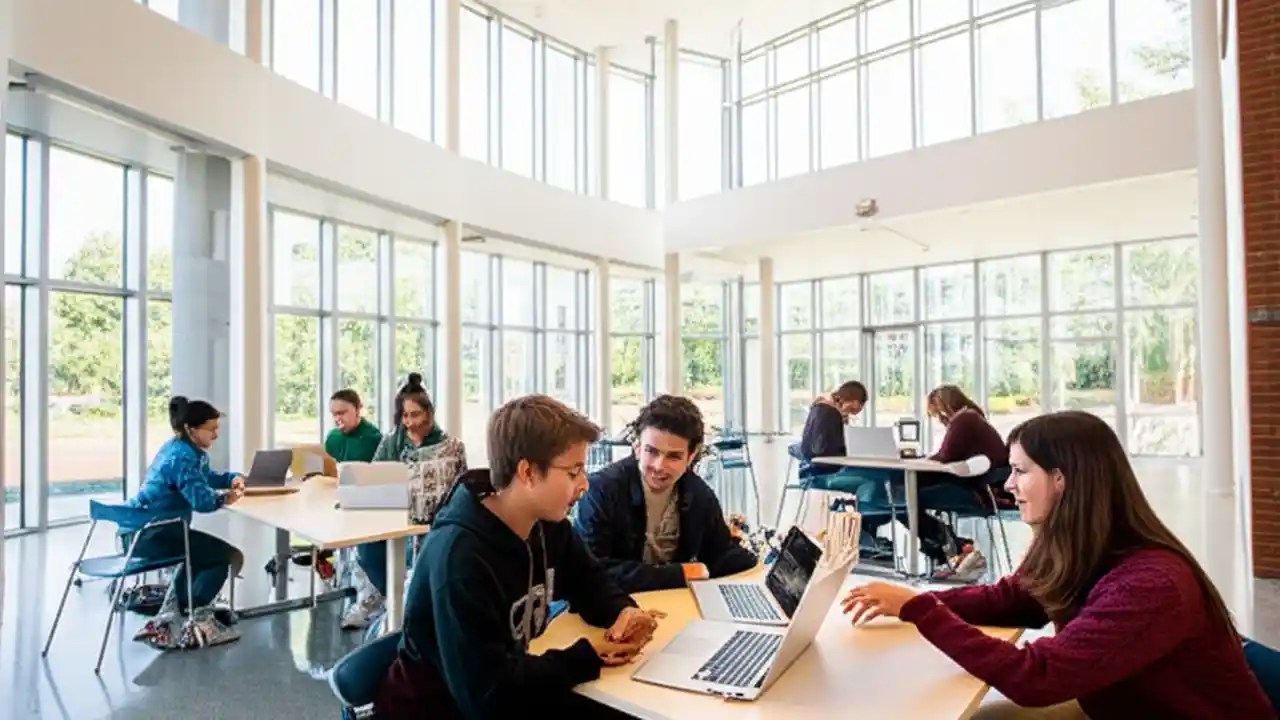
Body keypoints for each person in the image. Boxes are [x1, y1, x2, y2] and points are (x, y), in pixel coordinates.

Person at [842, 411, 1274, 720]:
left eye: (1020, 471)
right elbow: (1010, 599)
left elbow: (1037, 677)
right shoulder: (1078, 547)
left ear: (1062, 478)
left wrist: (922, 611)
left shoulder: (1150, 583)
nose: (1009, 485)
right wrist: (912, 601)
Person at [374, 395, 662, 718]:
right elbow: (486, 697)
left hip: (502, 689)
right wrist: (583, 658)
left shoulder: (547, 523)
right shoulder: (461, 558)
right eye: (573, 472)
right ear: (527, 472)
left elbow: (589, 581)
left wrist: (621, 611)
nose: (585, 484)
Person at [575, 395, 757, 593]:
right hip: (609, 607)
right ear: (637, 447)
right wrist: (680, 574)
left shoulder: (700, 495)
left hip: (670, 604)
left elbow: (720, 554)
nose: (659, 466)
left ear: (691, 456)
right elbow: (591, 572)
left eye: (673, 457)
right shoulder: (601, 490)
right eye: (651, 451)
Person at [344, 373, 467, 630]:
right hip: (394, 517)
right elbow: (373, 477)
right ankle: (390, 602)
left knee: (417, 556)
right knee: (367, 549)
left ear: (429, 414)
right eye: (405, 415)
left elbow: (460, 489)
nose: (410, 422)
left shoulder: (451, 447)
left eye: (416, 415)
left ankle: (407, 608)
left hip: (431, 525)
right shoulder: (392, 441)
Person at [127, 396, 246, 612]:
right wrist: (226, 497)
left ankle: (179, 607)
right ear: (191, 429)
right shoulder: (182, 458)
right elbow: (201, 501)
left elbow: (205, 477)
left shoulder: (180, 449)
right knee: (225, 556)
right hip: (152, 534)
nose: (216, 435)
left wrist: (231, 479)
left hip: (140, 530)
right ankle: (193, 611)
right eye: (211, 429)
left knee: (199, 554)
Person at [324, 389, 382, 462]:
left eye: (342, 413)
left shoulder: (374, 438)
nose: (337, 419)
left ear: (357, 410)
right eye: (334, 414)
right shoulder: (332, 437)